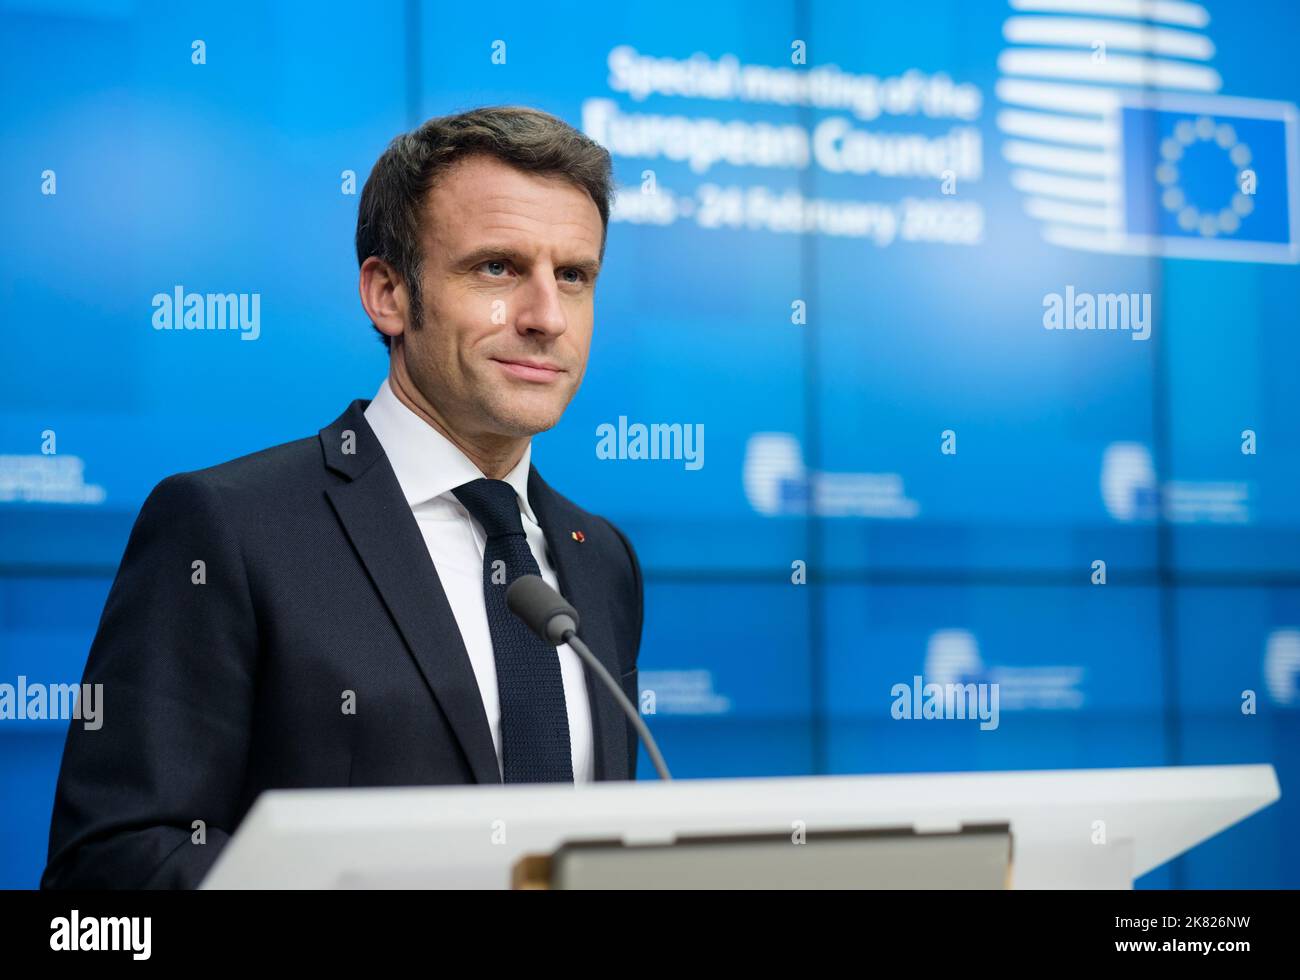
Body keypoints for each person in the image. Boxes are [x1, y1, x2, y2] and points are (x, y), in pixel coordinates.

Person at [42, 106, 643, 889]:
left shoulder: (603, 559)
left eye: (574, 276)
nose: (546, 318)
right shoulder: (226, 527)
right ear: (388, 293)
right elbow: (107, 874)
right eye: (496, 268)